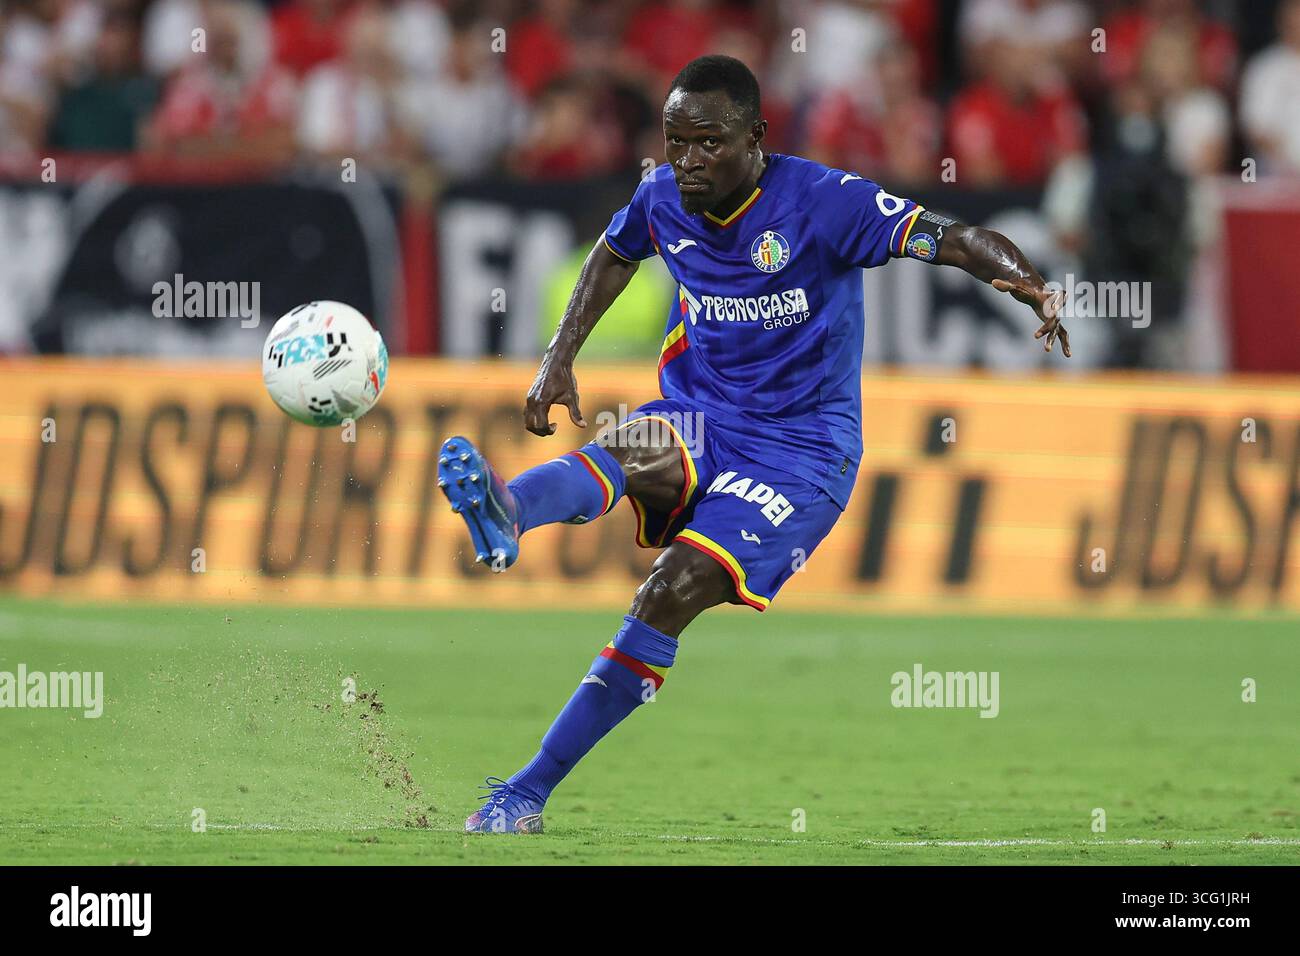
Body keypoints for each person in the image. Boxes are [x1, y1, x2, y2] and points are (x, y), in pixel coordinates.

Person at [438, 55, 1069, 834]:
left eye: (709, 143)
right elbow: (614, 254)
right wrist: (557, 357)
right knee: (631, 448)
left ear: (756, 139)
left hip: (803, 452)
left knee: (668, 592)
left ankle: (525, 792)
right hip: (704, 411)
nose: (690, 161)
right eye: (676, 142)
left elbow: (950, 236)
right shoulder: (661, 194)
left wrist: (1029, 283)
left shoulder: (825, 202)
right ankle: (507, 510)